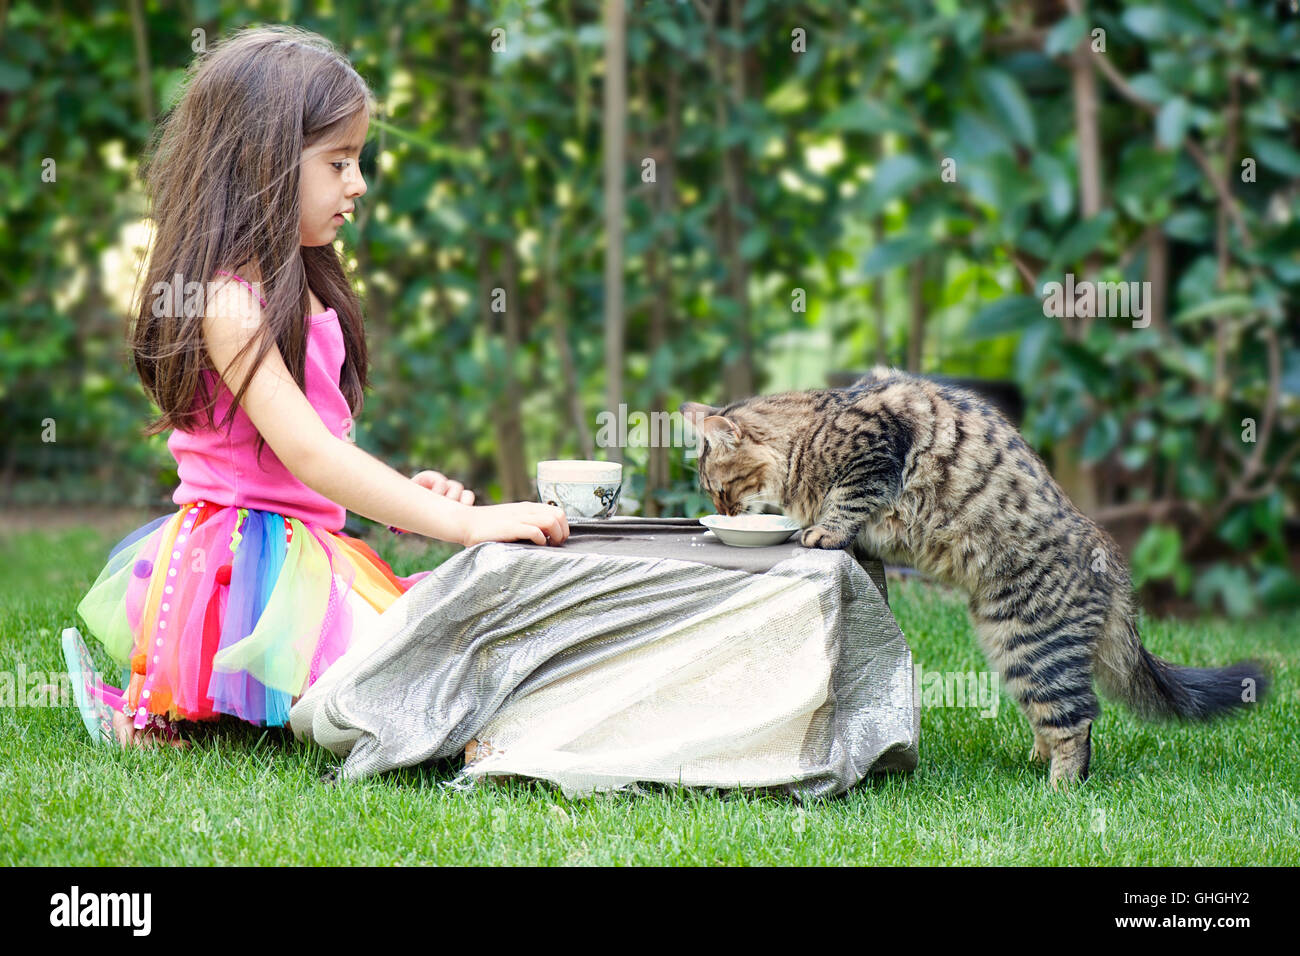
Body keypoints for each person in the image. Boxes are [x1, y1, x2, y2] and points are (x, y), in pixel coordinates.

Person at [66, 25, 568, 750]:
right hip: (241, 569)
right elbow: (308, 455)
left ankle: (182, 717)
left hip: (306, 550)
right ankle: (151, 718)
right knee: (405, 682)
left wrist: (412, 497)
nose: (358, 184)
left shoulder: (301, 284)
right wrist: (457, 524)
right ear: (260, 163)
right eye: (339, 162)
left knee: (433, 649)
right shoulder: (229, 301)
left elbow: (322, 450)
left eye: (356, 160)